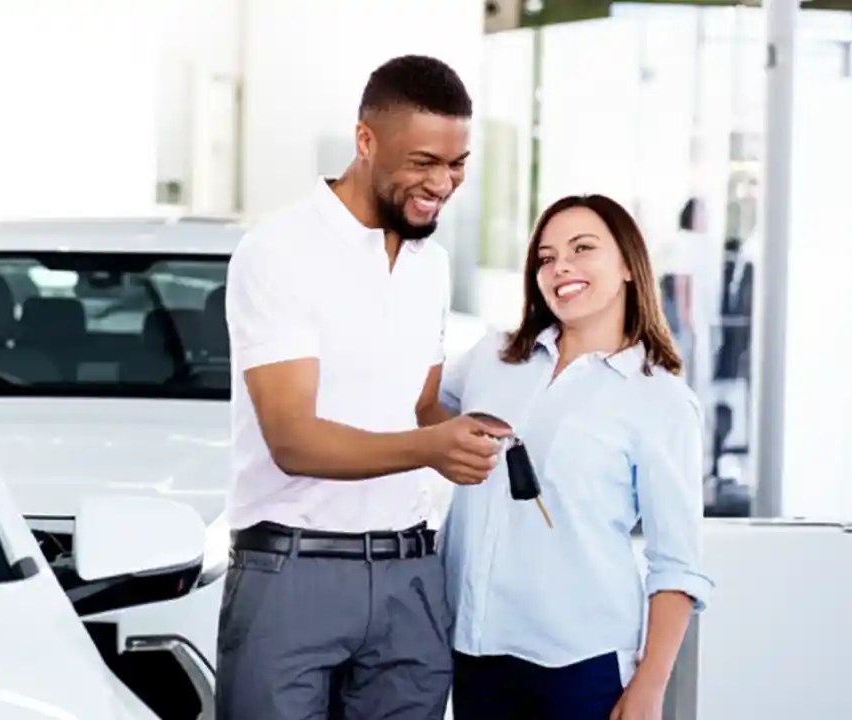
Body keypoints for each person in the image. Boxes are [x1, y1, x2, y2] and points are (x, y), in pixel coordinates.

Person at [216, 55, 507, 720]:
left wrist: (497, 417)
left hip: (410, 573)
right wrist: (434, 446)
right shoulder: (279, 250)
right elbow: (295, 441)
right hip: (292, 572)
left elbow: (420, 408)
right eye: (424, 161)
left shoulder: (429, 267)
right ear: (366, 140)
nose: (443, 183)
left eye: (458, 164)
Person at [438, 194, 715, 719]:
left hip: (581, 665)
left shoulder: (658, 398)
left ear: (629, 266)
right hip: (473, 652)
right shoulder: (494, 357)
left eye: (582, 248)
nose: (559, 266)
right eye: (545, 257)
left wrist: (648, 690)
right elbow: (423, 416)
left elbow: (677, 564)